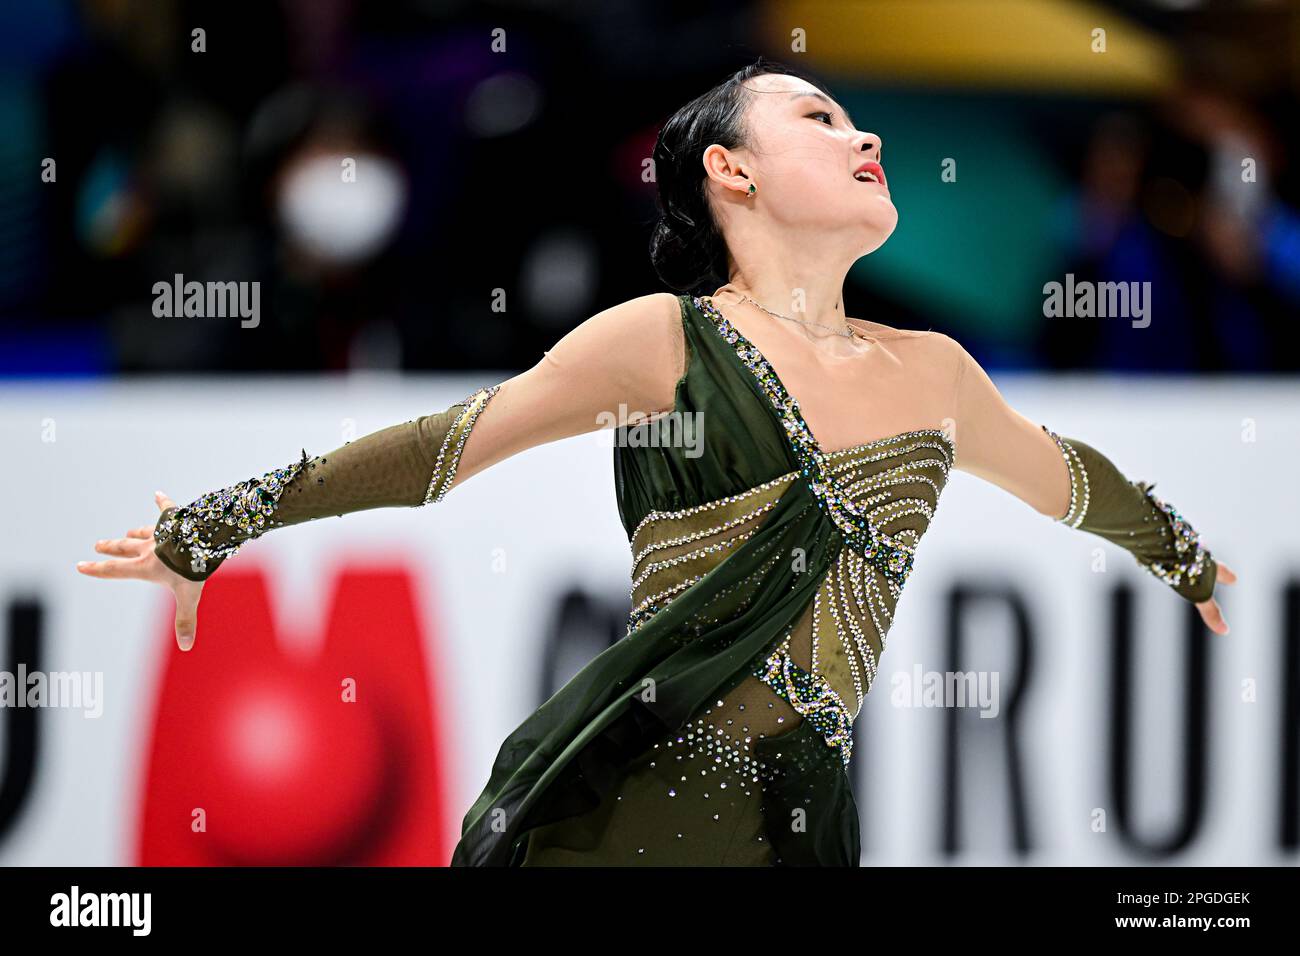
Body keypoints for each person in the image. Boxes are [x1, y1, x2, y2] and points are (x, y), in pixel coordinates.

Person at [77, 59, 1235, 866]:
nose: (865, 136)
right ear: (731, 173)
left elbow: (1062, 475)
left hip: (801, 822)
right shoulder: (664, 337)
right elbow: (448, 446)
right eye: (820, 120)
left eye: (854, 122)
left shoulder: (932, 370)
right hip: (633, 806)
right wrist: (214, 525)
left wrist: (1181, 554)